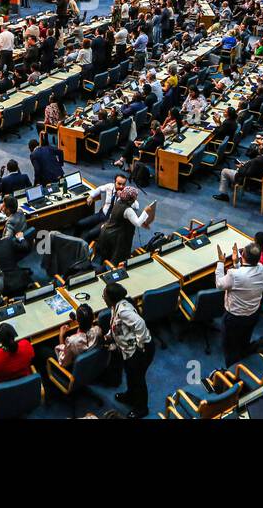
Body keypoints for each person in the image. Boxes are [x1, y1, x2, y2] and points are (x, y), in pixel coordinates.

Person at [103, 282, 155, 418]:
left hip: (141, 350)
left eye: (104, 296)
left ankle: (142, 408)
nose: (103, 298)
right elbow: (116, 325)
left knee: (138, 379)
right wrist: (109, 336)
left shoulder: (123, 310)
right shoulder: (116, 306)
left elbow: (140, 323)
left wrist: (140, 345)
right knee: (130, 374)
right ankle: (131, 396)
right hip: (128, 350)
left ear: (111, 298)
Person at [215, 241, 263, 365]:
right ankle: (244, 364)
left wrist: (221, 263)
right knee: (244, 341)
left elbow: (220, 284)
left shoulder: (233, 274)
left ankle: (232, 374)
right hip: (253, 314)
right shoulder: (261, 268)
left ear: (242, 255)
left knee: (230, 349)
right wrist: (236, 262)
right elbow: (244, 276)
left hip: (234, 319)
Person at [93, 175, 156, 266]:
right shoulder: (128, 210)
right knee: (114, 259)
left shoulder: (119, 202)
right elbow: (137, 223)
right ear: (132, 198)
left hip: (106, 232)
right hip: (114, 236)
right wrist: (145, 211)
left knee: (103, 255)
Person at [55, 303, 102, 368]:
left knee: (43, 350)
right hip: (95, 365)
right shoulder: (98, 330)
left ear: (77, 321)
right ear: (93, 318)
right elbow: (91, 328)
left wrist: (61, 336)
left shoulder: (71, 341)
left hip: (77, 370)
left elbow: (63, 362)